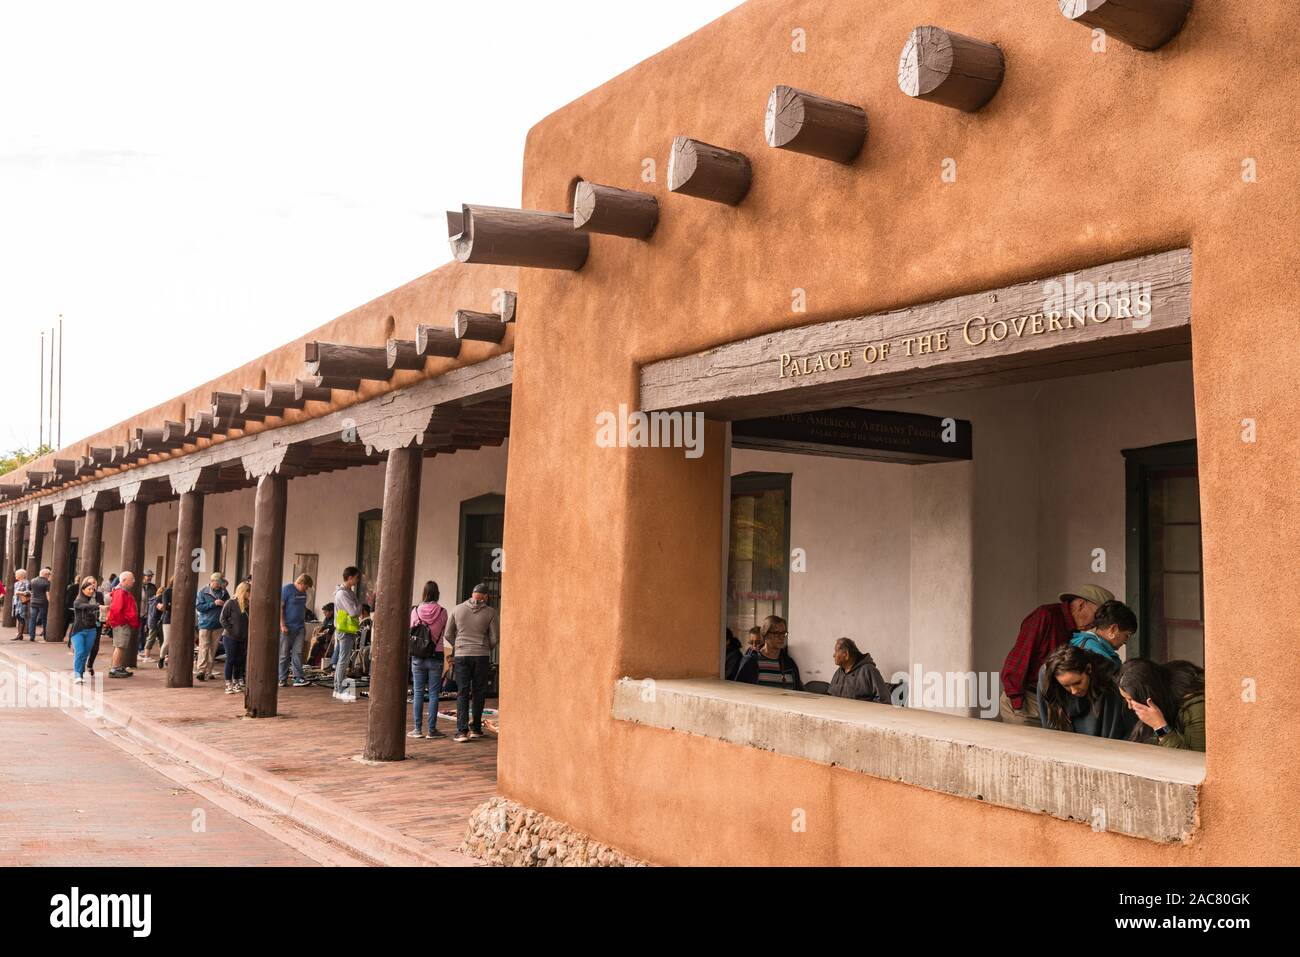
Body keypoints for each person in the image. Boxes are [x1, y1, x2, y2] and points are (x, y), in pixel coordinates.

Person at [999, 584, 1114, 726]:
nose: (1095, 625)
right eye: (1097, 617)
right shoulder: (1045, 615)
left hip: (1052, 705)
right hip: (1026, 703)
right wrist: (1017, 703)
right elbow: (1017, 661)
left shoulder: (1077, 632)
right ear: (1081, 605)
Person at [1037, 643, 1135, 739]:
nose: (1074, 691)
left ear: (1089, 669)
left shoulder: (1110, 682)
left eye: (1078, 682)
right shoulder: (1048, 680)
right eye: (1066, 686)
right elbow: (1048, 724)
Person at [444, 583, 500, 742]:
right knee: (478, 691)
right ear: (486, 597)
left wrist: (458, 645)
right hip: (481, 655)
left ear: (472, 594)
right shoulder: (491, 612)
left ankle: (461, 731)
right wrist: (484, 647)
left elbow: (448, 634)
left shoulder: (457, 609)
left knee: (463, 691)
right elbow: (495, 637)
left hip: (461, 655)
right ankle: (475, 728)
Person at [1118, 658, 1206, 752]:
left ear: (1148, 694)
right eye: (1126, 699)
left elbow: (1195, 758)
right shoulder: (1162, 685)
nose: (1129, 706)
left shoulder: (1195, 707)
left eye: (1131, 699)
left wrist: (1159, 726)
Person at [408, 580, 449, 738]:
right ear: (437, 593)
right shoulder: (442, 612)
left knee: (418, 693)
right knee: (433, 694)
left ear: (424, 593)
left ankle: (417, 729)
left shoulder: (416, 611)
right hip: (436, 654)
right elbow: (444, 631)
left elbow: (412, 630)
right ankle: (432, 730)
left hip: (418, 655)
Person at [734, 615, 803, 690]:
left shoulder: (789, 663)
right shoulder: (751, 662)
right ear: (765, 634)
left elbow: (797, 690)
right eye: (776, 633)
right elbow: (739, 691)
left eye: (783, 633)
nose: (781, 637)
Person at [1069, 599, 1137, 669]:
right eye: (1126, 635)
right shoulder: (1095, 653)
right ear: (1113, 629)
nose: (1126, 642)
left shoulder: (1084, 643)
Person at [827, 637, 890, 702]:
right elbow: (830, 694)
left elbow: (884, 699)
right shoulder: (839, 672)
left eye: (836, 651)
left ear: (846, 654)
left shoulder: (868, 670)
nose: (834, 655)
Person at [278, 573, 314, 688]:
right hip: (287, 627)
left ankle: (298, 677)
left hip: (300, 627)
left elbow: (302, 608)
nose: (306, 589)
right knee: (284, 654)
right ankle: (282, 678)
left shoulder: (303, 593)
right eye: (306, 586)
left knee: (298, 652)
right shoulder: (287, 589)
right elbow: (281, 608)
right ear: (301, 583)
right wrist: (282, 624)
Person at [332, 567, 362, 700]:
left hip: (348, 629)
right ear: (350, 578)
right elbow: (354, 611)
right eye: (356, 578)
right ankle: (339, 689)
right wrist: (359, 605)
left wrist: (357, 605)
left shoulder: (348, 591)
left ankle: (338, 688)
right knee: (343, 660)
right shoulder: (343, 593)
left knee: (343, 659)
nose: (357, 580)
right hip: (344, 630)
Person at [69, 576, 105, 683]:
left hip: (92, 630)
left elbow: (100, 609)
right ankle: (77, 675)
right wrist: (98, 606)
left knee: (85, 653)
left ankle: (81, 673)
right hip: (78, 631)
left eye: (92, 589)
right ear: (83, 589)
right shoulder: (78, 600)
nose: (91, 590)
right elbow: (83, 606)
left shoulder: (97, 597)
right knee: (79, 652)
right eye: (89, 588)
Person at [195, 573, 229, 681]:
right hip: (205, 623)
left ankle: (209, 671)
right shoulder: (203, 591)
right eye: (218, 583)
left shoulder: (224, 592)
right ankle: (201, 670)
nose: (219, 585)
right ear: (212, 581)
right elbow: (199, 607)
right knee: (204, 647)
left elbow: (228, 605)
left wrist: (224, 604)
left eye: (221, 583)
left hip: (218, 624)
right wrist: (214, 604)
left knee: (213, 649)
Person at [107, 571, 139, 679]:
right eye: (132, 579)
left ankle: (117, 666)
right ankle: (114, 668)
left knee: (120, 646)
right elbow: (116, 609)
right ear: (124, 580)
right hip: (121, 623)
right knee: (120, 646)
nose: (133, 581)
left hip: (122, 623)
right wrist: (124, 620)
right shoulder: (120, 592)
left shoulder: (121, 592)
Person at [220, 581, 250, 694]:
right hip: (230, 637)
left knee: (239, 660)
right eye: (248, 591)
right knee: (230, 659)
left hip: (243, 637)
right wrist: (231, 629)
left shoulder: (248, 605)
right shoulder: (231, 603)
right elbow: (222, 619)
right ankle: (228, 683)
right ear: (243, 591)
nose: (249, 593)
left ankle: (236, 681)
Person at [150, 578, 172, 669]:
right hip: (168, 619)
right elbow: (165, 606)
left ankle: (169, 658)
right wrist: (166, 606)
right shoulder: (167, 592)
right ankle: (161, 658)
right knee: (167, 641)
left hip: (181, 620)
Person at [26, 566, 51, 641]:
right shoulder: (47, 582)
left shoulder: (33, 580)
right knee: (44, 620)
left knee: (32, 619)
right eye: (49, 575)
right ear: (46, 575)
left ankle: (32, 636)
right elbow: (47, 594)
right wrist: (50, 603)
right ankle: (45, 636)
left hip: (33, 602)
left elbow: (30, 590)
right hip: (43, 603)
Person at [9, 569, 28, 640]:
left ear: (21, 575)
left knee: (21, 618)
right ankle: (19, 634)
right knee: (18, 617)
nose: (15, 576)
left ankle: (20, 634)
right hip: (15, 602)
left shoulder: (26, 582)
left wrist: (20, 592)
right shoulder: (16, 583)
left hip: (22, 603)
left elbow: (28, 593)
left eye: (16, 574)